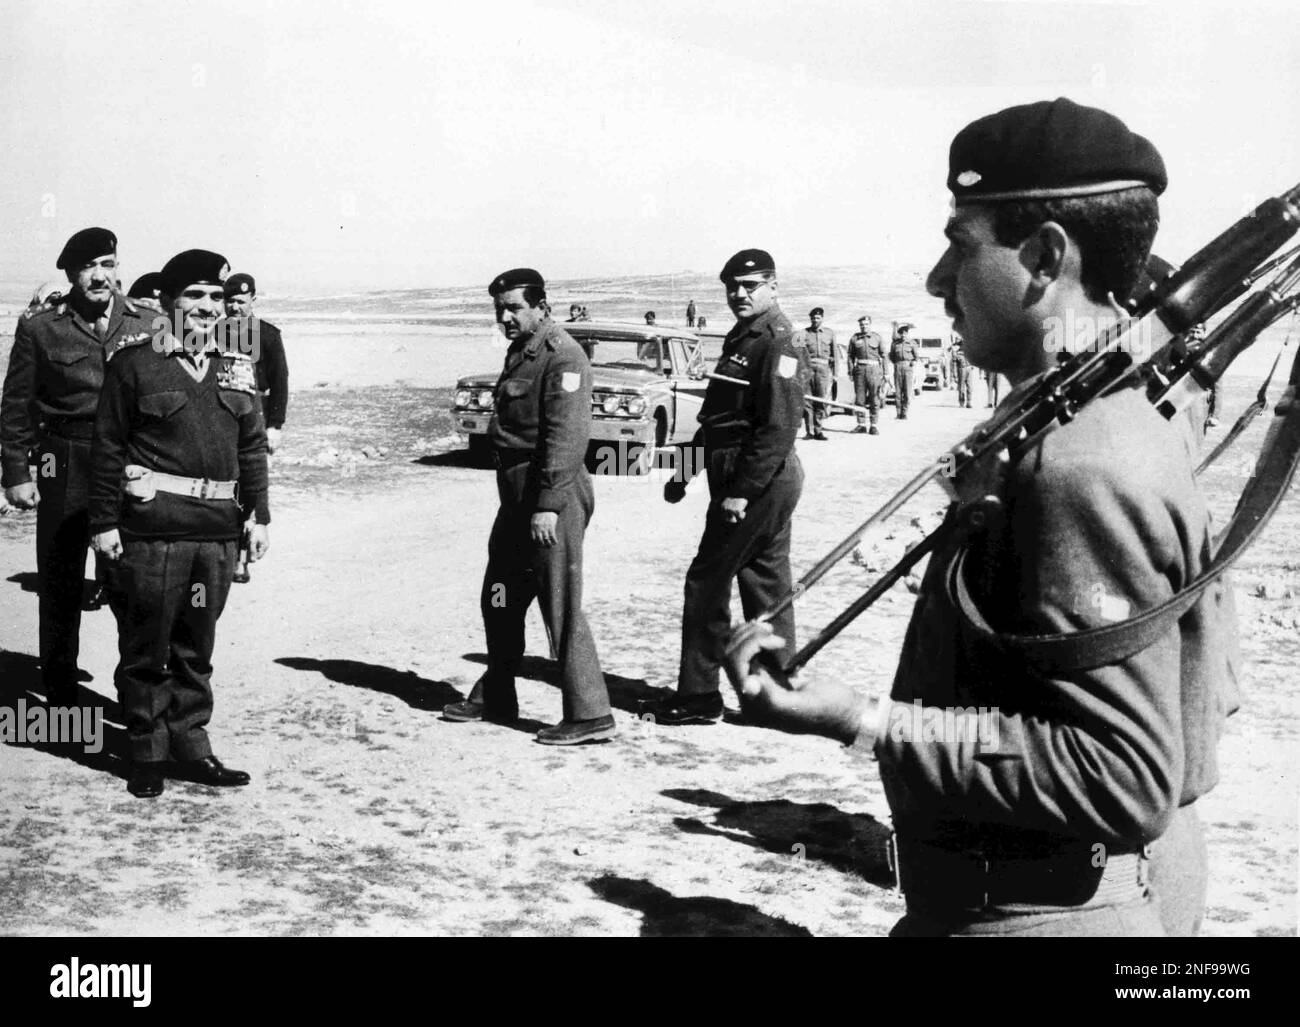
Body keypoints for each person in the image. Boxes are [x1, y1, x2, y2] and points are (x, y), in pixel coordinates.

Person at [722, 97, 1239, 937]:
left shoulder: (1087, 459)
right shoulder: (1103, 410)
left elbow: (1123, 774)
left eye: (960, 243)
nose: (935, 278)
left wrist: (860, 719)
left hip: (1033, 915)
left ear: (1044, 257)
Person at [89, 249, 270, 799]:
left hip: (216, 531)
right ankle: (145, 752)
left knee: (197, 646)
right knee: (147, 645)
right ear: (168, 302)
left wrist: (259, 517)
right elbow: (107, 446)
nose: (206, 307)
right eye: (193, 296)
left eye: (215, 297)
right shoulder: (134, 364)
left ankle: (192, 746)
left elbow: (253, 449)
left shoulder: (238, 363)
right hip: (154, 529)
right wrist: (103, 521)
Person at [443, 268, 614, 745]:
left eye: (515, 307)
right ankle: (497, 690)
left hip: (549, 495)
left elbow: (566, 437)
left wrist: (549, 506)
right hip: (517, 494)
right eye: (500, 308)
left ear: (542, 307)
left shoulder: (564, 356)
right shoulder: (523, 352)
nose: (505, 316)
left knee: (558, 601)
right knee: (499, 594)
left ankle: (590, 713)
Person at [641, 248, 804, 726]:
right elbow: (715, 417)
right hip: (743, 470)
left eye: (750, 286)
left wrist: (742, 492)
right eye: (732, 286)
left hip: (757, 475)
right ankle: (773, 698)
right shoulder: (743, 335)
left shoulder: (779, 340)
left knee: (706, 582)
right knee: (765, 585)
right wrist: (684, 470)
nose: (739, 295)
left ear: (773, 286)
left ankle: (698, 697)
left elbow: (777, 428)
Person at [1, 227, 159, 706]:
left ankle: (136, 694)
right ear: (71, 273)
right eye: (89, 267)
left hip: (131, 461)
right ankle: (61, 688)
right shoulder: (40, 327)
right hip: (63, 457)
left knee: (132, 581)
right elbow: (17, 404)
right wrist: (16, 472)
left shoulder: (150, 322)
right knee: (60, 577)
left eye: (108, 265)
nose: (99, 276)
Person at [222, 272, 289, 584]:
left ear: (253, 300)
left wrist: (275, 426)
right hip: (222, 419)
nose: (235, 307)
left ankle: (243, 555)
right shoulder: (212, 332)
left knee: (251, 485)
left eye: (241, 300)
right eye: (230, 301)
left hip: (256, 418)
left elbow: (280, 384)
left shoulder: (268, 335)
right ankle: (227, 552)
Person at [792, 307, 838, 440]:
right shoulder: (802, 333)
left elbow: (834, 355)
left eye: (818, 318)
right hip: (807, 369)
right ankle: (810, 431)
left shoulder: (830, 333)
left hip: (823, 370)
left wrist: (835, 374)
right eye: (813, 318)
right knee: (807, 400)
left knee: (821, 400)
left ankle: (818, 430)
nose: (815, 320)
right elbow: (795, 352)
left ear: (822, 318)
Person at [847, 315, 889, 434]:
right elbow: (850, 356)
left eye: (866, 324)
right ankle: (861, 425)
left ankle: (873, 425)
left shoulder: (877, 338)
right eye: (861, 325)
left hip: (874, 371)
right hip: (859, 370)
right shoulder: (855, 338)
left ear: (870, 324)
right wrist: (850, 371)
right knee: (860, 399)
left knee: (874, 399)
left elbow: (884, 356)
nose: (864, 326)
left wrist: (886, 373)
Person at [890, 323, 920, 419]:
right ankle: (898, 413)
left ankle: (904, 412)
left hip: (908, 368)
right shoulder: (895, 344)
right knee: (898, 392)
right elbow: (891, 356)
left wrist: (912, 363)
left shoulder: (912, 343)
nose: (903, 335)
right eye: (901, 333)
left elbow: (916, 357)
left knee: (907, 392)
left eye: (905, 333)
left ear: (907, 334)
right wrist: (897, 364)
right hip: (898, 366)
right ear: (899, 334)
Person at [951, 338, 974, 408]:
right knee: (961, 387)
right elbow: (954, 364)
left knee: (970, 386)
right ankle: (961, 402)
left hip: (969, 369)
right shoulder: (957, 353)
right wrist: (955, 375)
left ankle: (969, 402)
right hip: (961, 369)